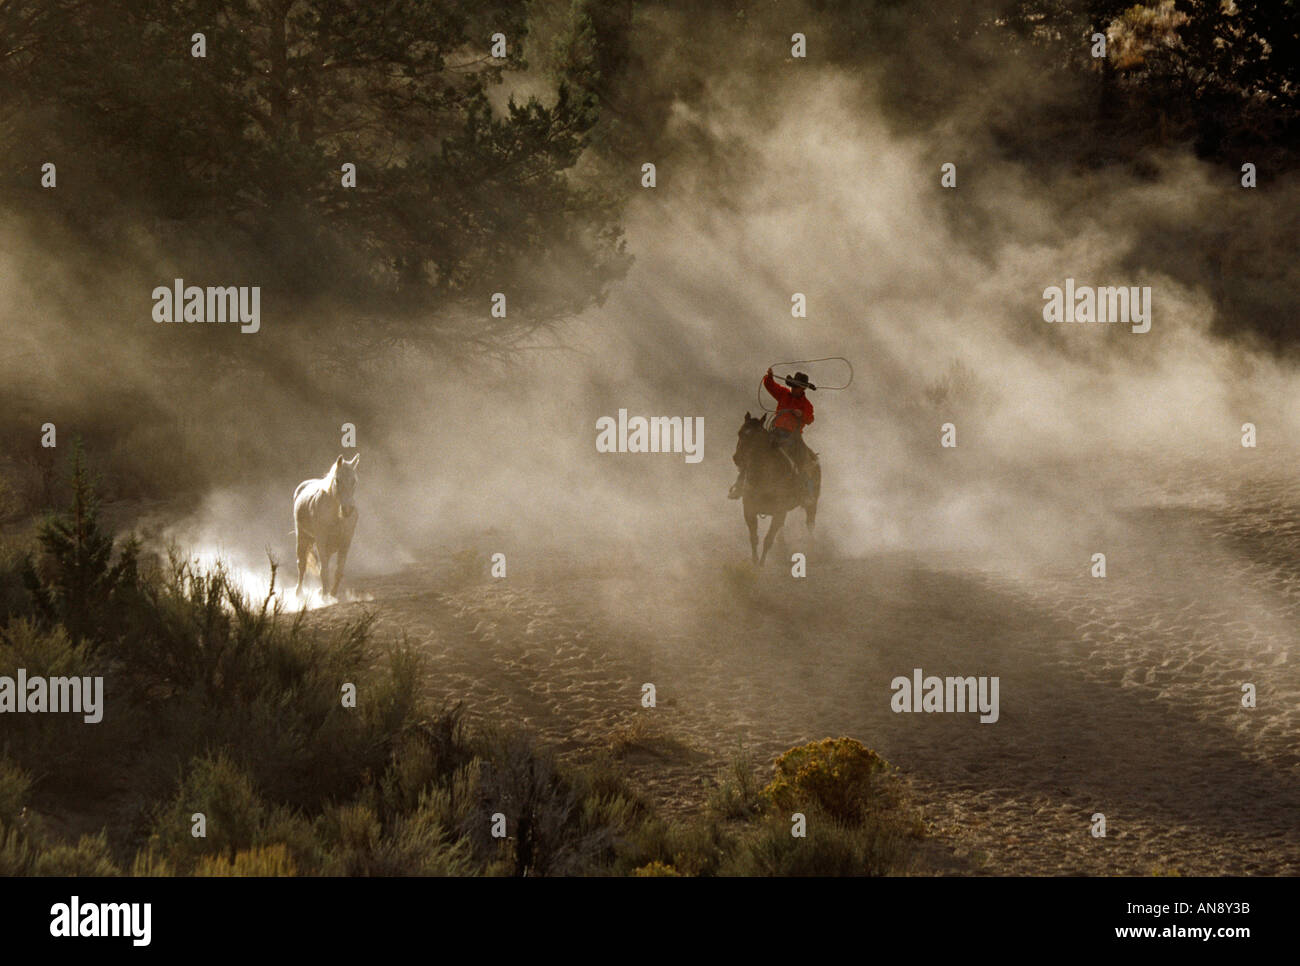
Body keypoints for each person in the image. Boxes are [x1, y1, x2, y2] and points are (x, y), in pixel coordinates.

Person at [729, 367, 816, 499]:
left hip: (793, 437)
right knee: (754, 452)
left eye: (796, 387)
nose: (793, 389)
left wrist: (801, 414)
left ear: (803, 389)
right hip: (775, 433)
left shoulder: (806, 405)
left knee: (801, 462)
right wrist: (769, 377)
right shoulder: (783, 394)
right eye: (792, 386)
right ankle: (740, 485)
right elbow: (771, 386)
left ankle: (807, 493)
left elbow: (810, 419)